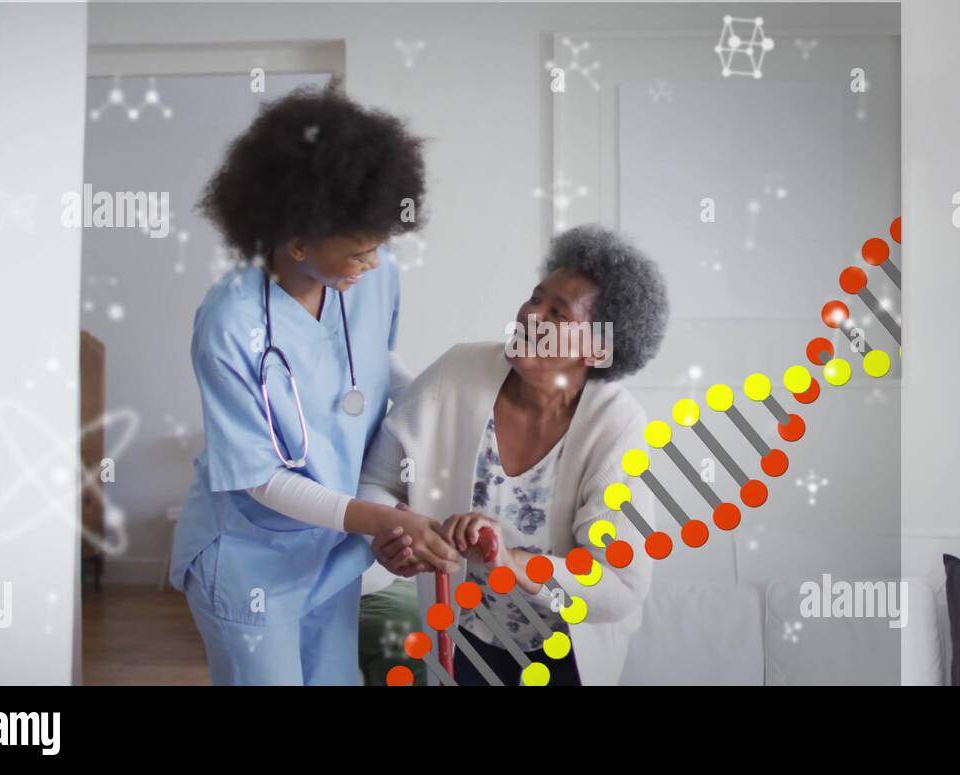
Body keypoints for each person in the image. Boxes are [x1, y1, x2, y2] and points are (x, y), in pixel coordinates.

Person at [168, 84, 459, 686]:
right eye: (358, 253)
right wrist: (378, 520)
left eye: (379, 246)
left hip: (331, 552)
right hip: (249, 560)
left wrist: (443, 407)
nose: (373, 263)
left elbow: (372, 369)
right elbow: (259, 476)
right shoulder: (230, 322)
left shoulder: (373, 275)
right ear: (297, 242)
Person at [359, 225, 669, 686]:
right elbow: (377, 484)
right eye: (535, 298)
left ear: (599, 348)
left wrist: (513, 562)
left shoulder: (616, 426)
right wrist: (396, 536)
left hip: (567, 650)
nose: (531, 316)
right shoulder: (457, 372)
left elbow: (620, 588)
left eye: (559, 314)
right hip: (464, 635)